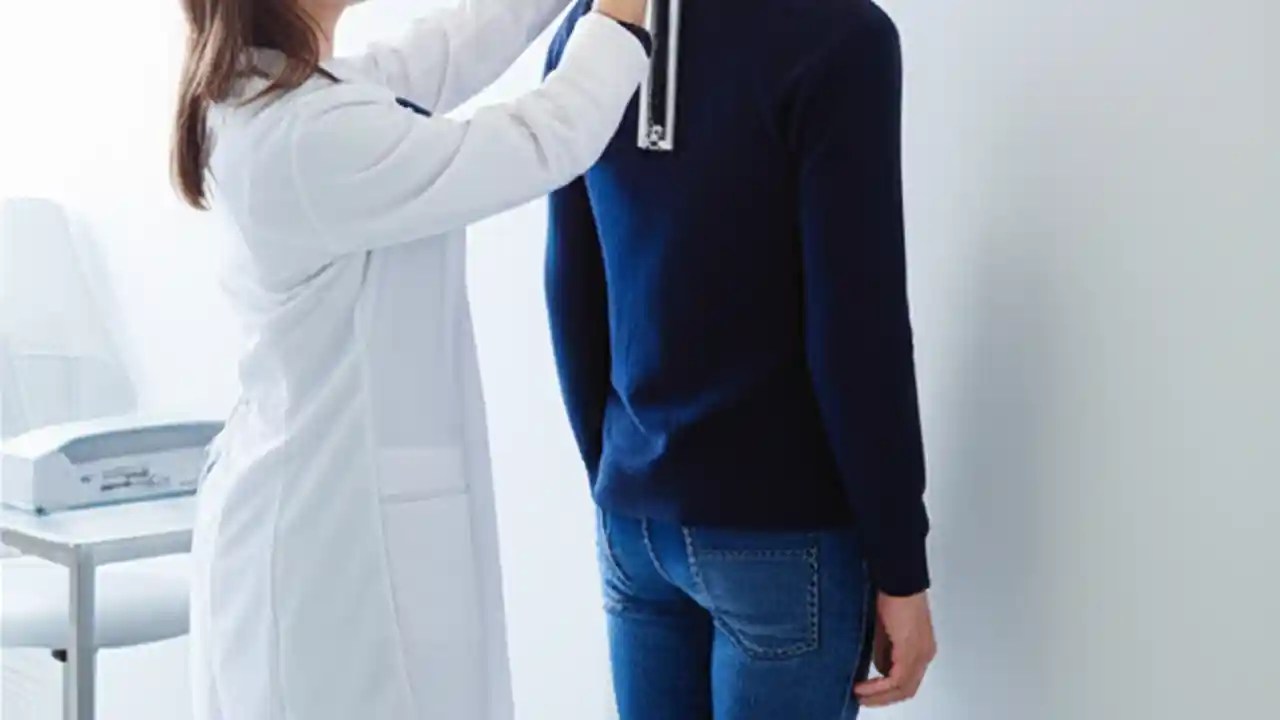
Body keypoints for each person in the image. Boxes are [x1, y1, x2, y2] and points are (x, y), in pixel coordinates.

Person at [171, 0, 652, 718]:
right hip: (328, 542)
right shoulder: (307, 137)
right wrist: (617, 21)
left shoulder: (284, 93)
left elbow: (436, 54)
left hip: (304, 499)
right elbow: (540, 139)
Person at [545, 0, 937, 717]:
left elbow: (573, 278)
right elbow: (858, 326)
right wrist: (901, 565)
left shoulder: (594, 27)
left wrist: (618, 476)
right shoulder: (842, 35)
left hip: (636, 523)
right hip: (783, 535)